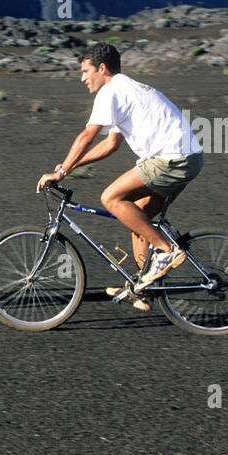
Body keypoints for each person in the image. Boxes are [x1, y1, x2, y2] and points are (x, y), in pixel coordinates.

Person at [36, 42, 203, 309]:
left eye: (85, 71)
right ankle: (142, 285)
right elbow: (110, 145)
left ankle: (167, 251)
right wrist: (68, 168)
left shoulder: (111, 91)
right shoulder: (126, 89)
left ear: (102, 68)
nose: (82, 78)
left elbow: (87, 137)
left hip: (171, 159)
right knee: (139, 217)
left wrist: (62, 172)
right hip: (188, 158)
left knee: (111, 197)